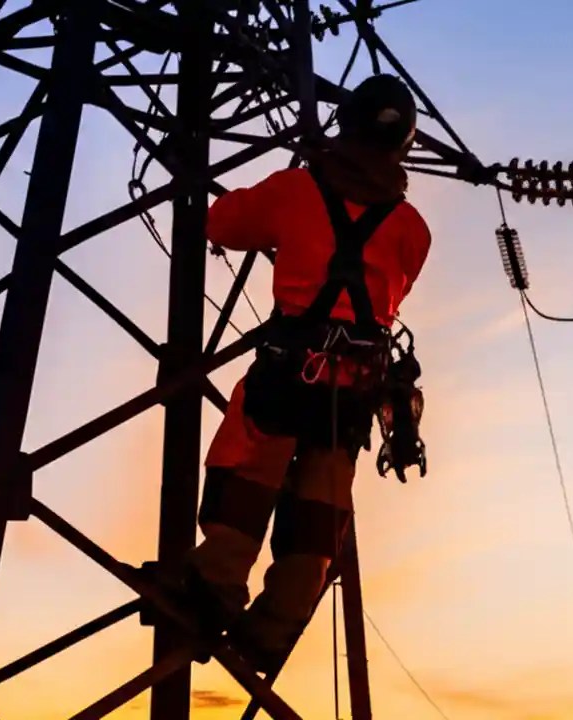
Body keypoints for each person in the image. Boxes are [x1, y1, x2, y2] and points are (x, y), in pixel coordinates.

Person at [178, 74, 431, 670]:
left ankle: (212, 590)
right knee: (321, 505)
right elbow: (392, 289)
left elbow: (221, 224)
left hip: (291, 371)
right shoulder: (412, 228)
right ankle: (275, 626)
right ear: (404, 145)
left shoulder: (296, 190)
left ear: (345, 126)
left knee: (248, 466)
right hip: (355, 391)